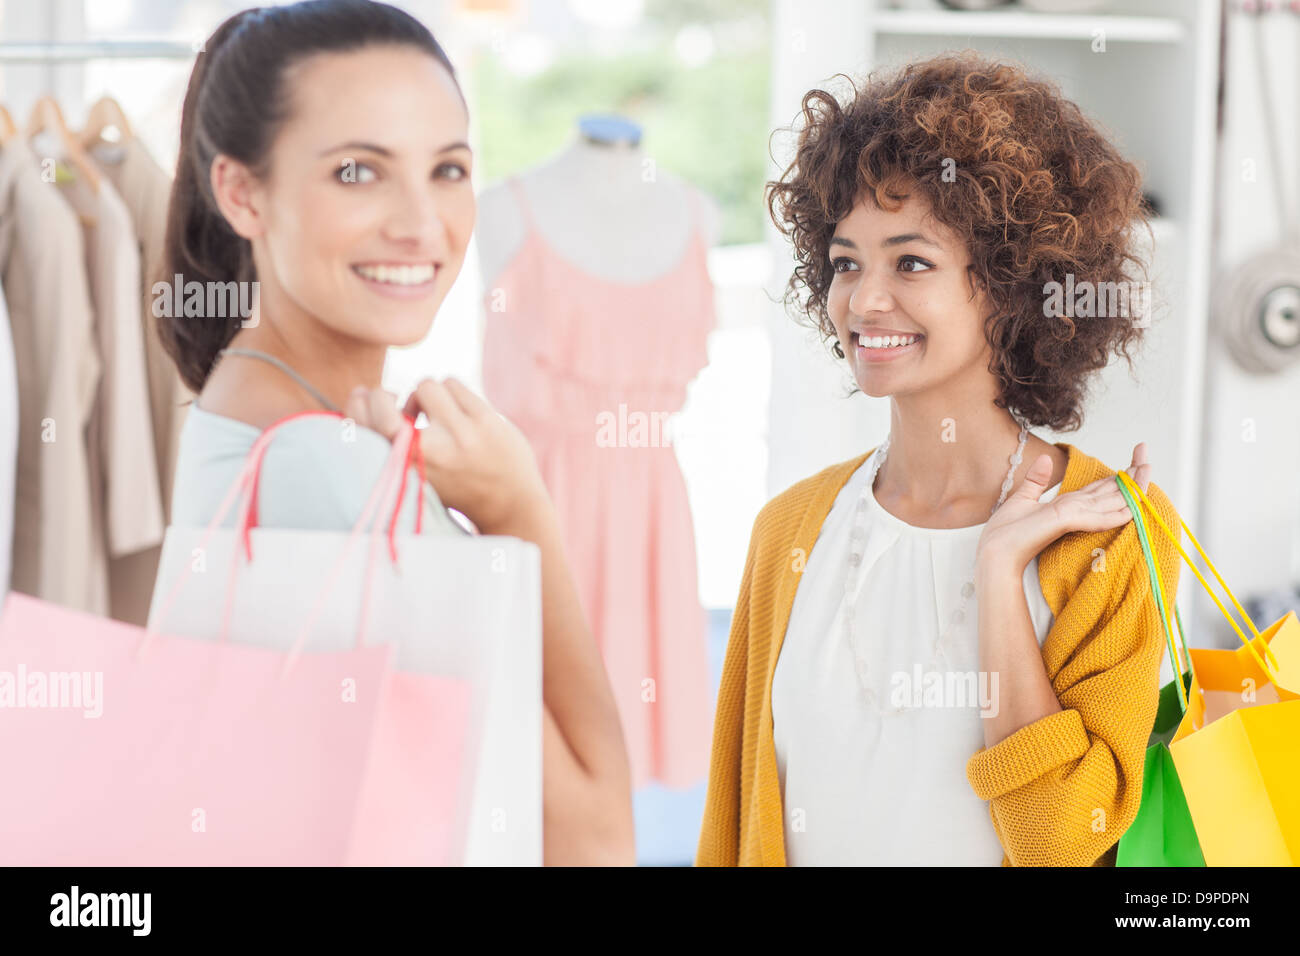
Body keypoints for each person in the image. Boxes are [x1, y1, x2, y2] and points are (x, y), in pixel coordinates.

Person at [159, 0, 634, 865]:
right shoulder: (331, 470)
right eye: (357, 172)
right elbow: (596, 839)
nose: (421, 224)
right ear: (241, 192)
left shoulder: (239, 406)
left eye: (448, 170)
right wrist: (517, 506)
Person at [697, 53, 1182, 866]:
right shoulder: (788, 534)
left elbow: (1063, 842)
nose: (865, 299)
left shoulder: (1107, 536)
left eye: (910, 261)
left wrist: (999, 573)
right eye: (846, 260)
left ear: (1012, 282)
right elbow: (731, 822)